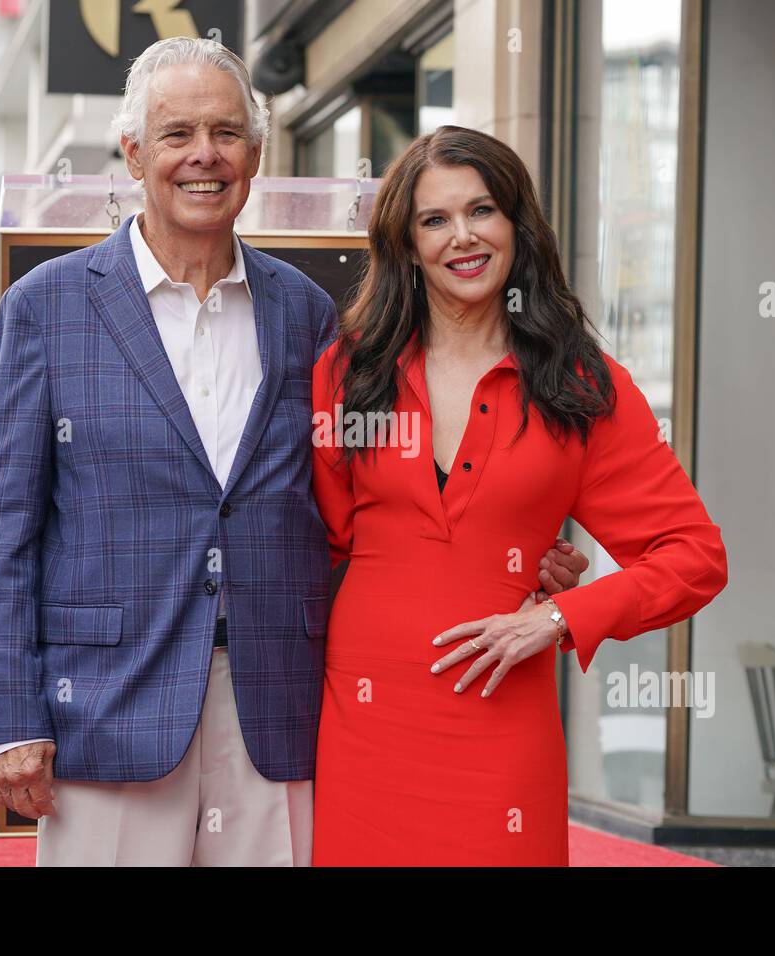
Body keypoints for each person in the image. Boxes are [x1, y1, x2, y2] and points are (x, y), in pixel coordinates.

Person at [0, 37, 586, 866]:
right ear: (132, 152)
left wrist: (511, 552)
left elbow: (371, 496)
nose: (204, 156)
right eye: (177, 133)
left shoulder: (309, 314)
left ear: (255, 155)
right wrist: (12, 718)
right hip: (108, 710)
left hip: (276, 703)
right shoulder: (46, 307)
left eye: (226, 133)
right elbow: (6, 531)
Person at [309, 126, 729, 865]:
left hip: (501, 734)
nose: (462, 237)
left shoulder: (580, 386)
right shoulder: (350, 373)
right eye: (434, 220)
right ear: (406, 245)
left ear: (517, 226)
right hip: (363, 724)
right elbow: (321, 545)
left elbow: (694, 557)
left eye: (483, 211)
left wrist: (561, 617)